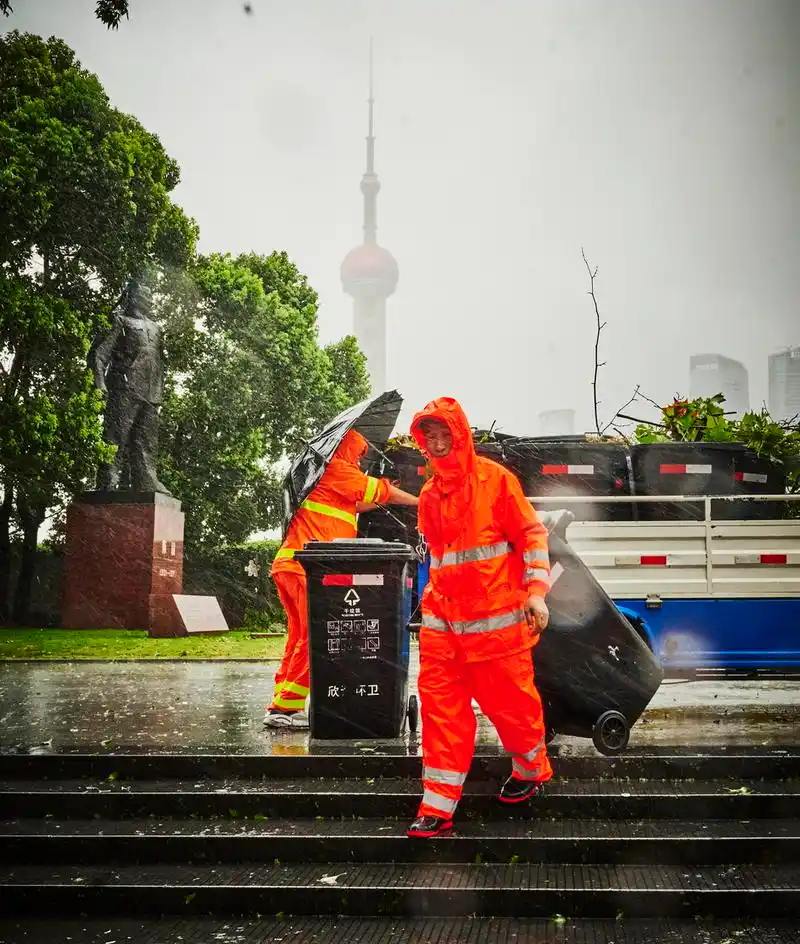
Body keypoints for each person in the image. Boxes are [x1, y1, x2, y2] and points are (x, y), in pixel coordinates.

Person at [407, 397, 553, 838]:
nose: (435, 443)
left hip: (496, 626)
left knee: (512, 708)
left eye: (442, 434)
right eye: (428, 436)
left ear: (460, 435)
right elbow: (439, 559)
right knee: (440, 712)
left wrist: (537, 594)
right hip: (443, 626)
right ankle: (437, 806)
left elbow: (531, 537)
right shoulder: (430, 495)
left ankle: (531, 771)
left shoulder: (496, 481)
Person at [265, 428, 418, 728]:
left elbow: (358, 502)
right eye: (358, 454)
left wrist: (386, 492)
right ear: (346, 450)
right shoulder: (336, 469)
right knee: (314, 637)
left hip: (293, 566)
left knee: (300, 636)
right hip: (304, 569)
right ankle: (285, 710)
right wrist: (418, 500)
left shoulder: (329, 481)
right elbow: (376, 490)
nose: (360, 461)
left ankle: (281, 703)